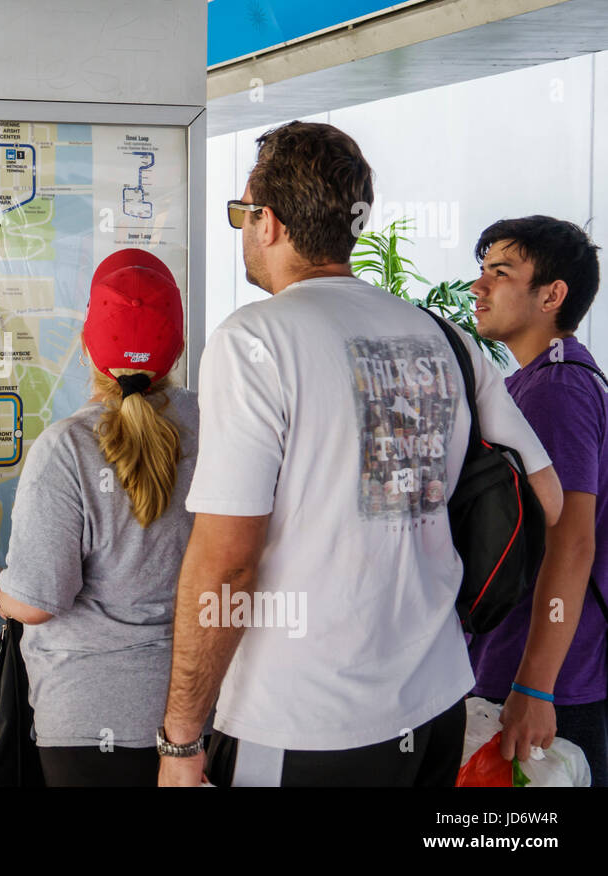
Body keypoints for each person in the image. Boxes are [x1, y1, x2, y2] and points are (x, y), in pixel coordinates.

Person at [159, 121, 563, 787]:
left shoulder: (255, 341)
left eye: (243, 213)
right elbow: (544, 498)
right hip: (433, 704)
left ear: (271, 223)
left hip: (301, 718)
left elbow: (226, 559)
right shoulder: (446, 339)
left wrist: (179, 742)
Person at [0, 247, 198, 787]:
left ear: (87, 344)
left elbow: (36, 601)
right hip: (200, 718)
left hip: (86, 723)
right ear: (177, 347)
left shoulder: (67, 448)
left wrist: (0, 594)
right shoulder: (220, 424)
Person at [467, 215, 608, 785]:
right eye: (481, 271)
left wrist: (534, 684)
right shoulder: (547, 381)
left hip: (547, 685)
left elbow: (571, 541)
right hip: (534, 668)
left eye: (500, 273)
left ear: (552, 295)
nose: (479, 287)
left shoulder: (557, 388)